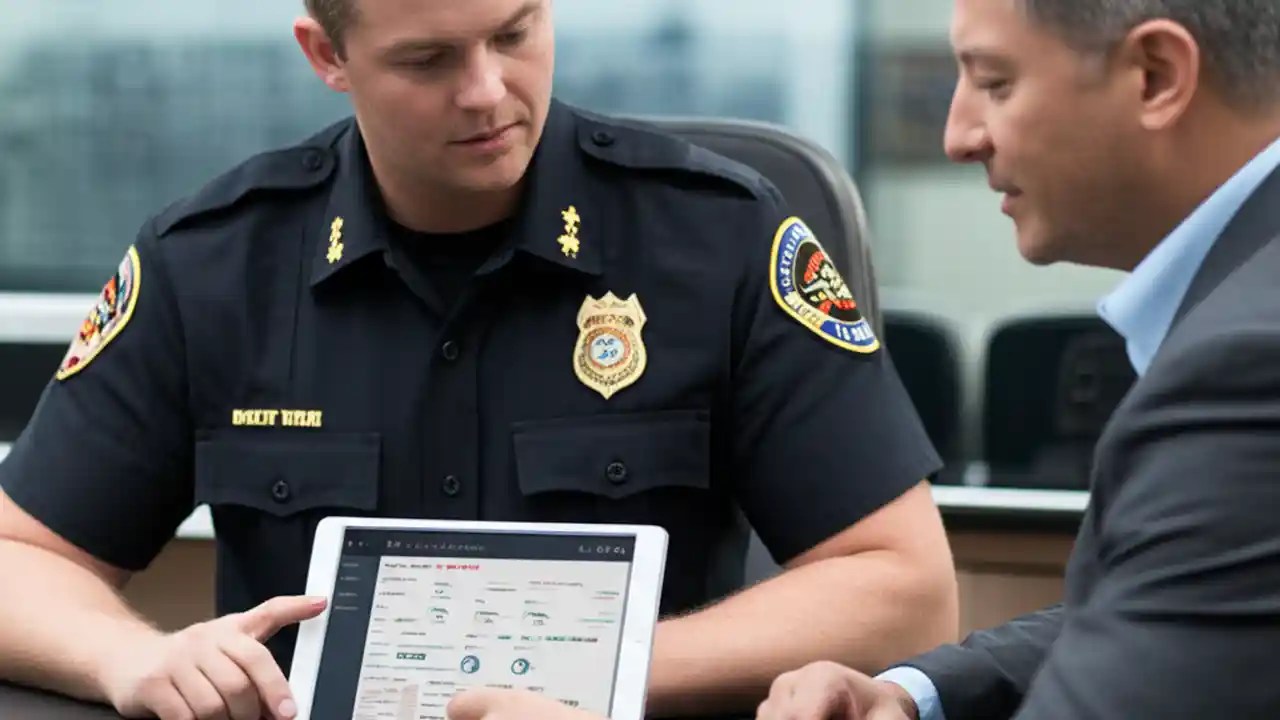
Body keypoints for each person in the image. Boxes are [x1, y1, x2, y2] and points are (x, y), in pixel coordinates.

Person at [0, 1, 958, 719]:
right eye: (428, 59)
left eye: (514, 31)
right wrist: (128, 660)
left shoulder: (719, 240)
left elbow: (906, 590)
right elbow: (18, 559)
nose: (488, 91)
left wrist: (596, 682)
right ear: (327, 55)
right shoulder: (213, 265)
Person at [447, 0, 1280, 717]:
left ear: (1156, 77)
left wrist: (599, 688)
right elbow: (1162, 612)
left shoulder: (1245, 374)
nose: (959, 134)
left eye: (994, 82)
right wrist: (918, 694)